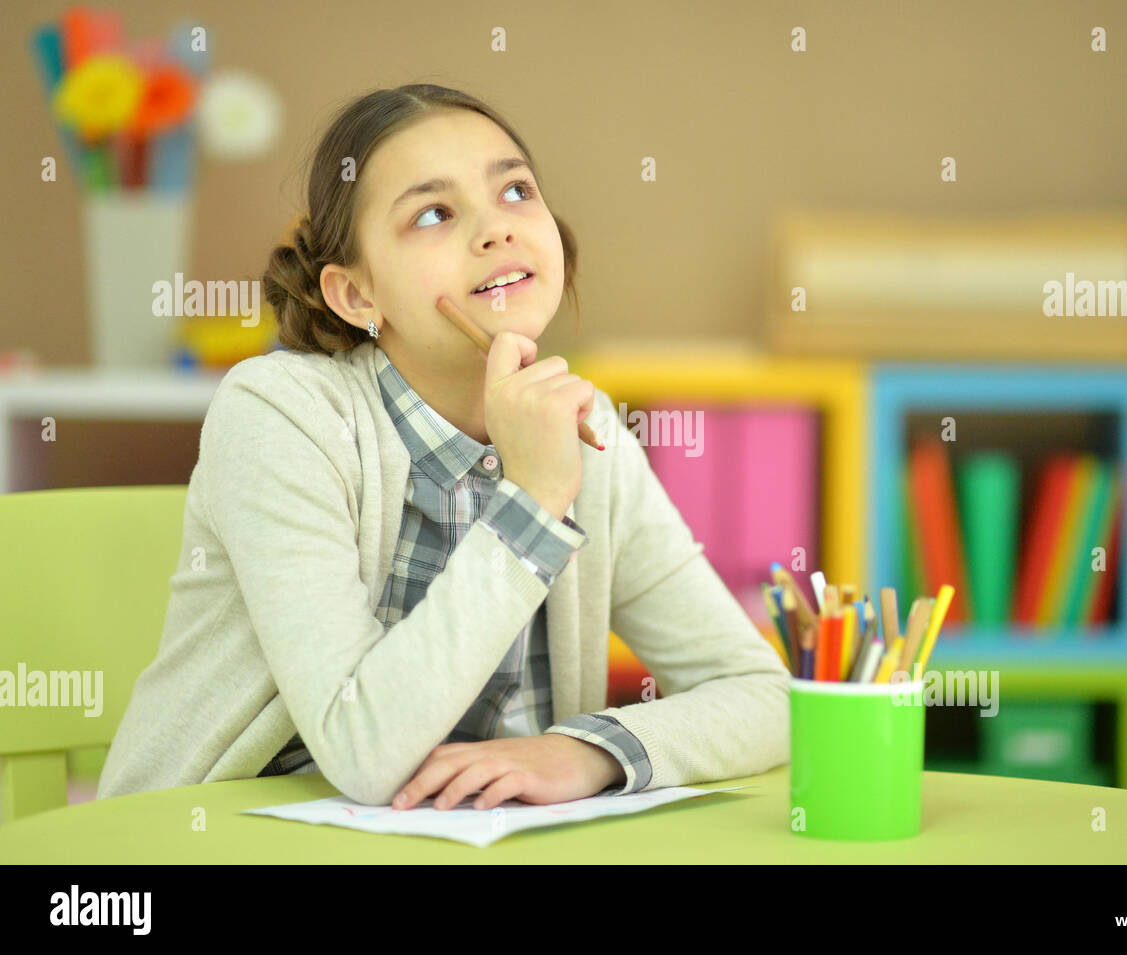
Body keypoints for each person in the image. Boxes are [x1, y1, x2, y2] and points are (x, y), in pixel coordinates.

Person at [97, 83, 788, 811]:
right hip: (215, 836)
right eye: (433, 213)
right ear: (356, 295)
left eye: (516, 190)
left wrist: (584, 751)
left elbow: (764, 693)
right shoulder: (278, 413)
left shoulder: (590, 434)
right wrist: (532, 502)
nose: (496, 229)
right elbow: (364, 755)